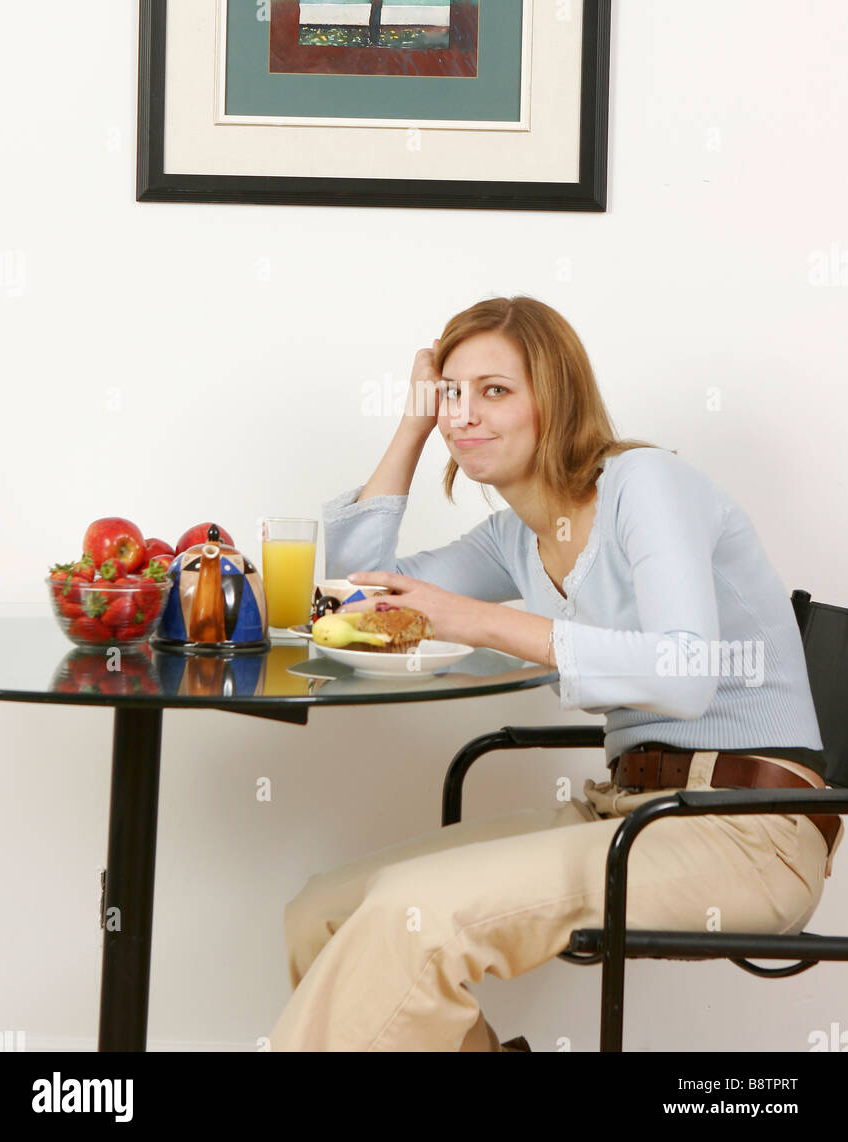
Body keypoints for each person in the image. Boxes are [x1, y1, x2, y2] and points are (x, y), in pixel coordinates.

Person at [269, 295, 841, 1052]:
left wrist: (477, 620)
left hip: (741, 833)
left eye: (495, 391)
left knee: (416, 914)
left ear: (557, 398)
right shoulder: (516, 534)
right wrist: (411, 423)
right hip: (625, 811)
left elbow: (683, 675)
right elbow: (348, 600)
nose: (464, 414)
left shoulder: (646, 484)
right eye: (451, 393)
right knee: (323, 910)